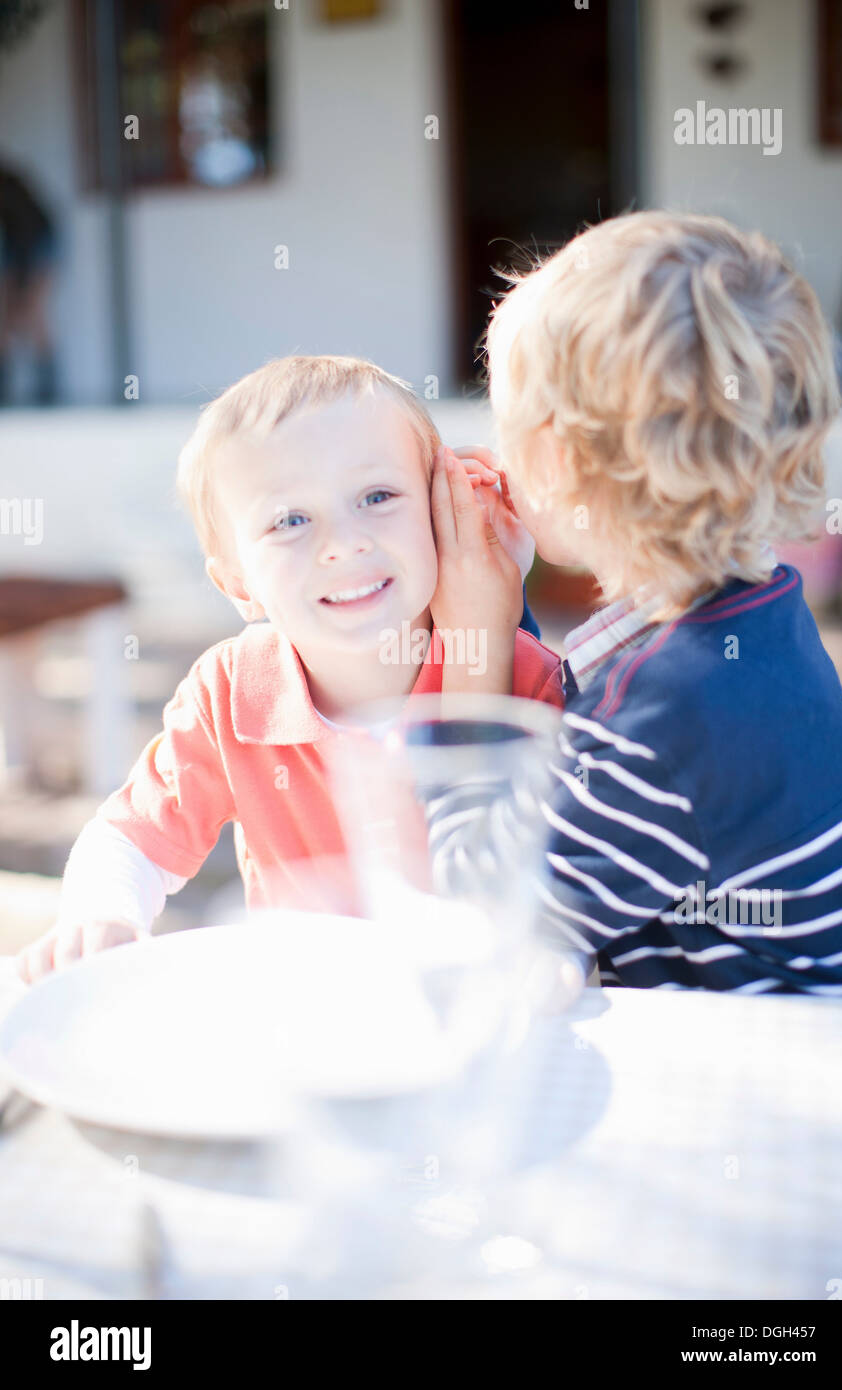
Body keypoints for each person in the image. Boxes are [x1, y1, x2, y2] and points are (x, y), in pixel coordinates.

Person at [17, 355, 562, 981]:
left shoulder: (519, 675)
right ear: (240, 586)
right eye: (291, 520)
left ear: (444, 507)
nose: (343, 542)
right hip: (306, 1018)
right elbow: (128, 838)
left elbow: (573, 879)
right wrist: (100, 916)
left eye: (377, 496)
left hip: (471, 1020)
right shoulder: (229, 692)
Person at [444, 210, 842, 996]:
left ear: (557, 460)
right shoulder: (755, 618)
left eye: (506, 429)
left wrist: (470, 641)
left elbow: (480, 906)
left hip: (775, 1074)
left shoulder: (666, 717)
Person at [0, 164, 58, 406]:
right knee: (4, 314)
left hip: (38, 243)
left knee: (33, 311)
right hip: (15, 247)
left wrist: (22, 288)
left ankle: (48, 389)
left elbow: (27, 234)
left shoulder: (9, 189)